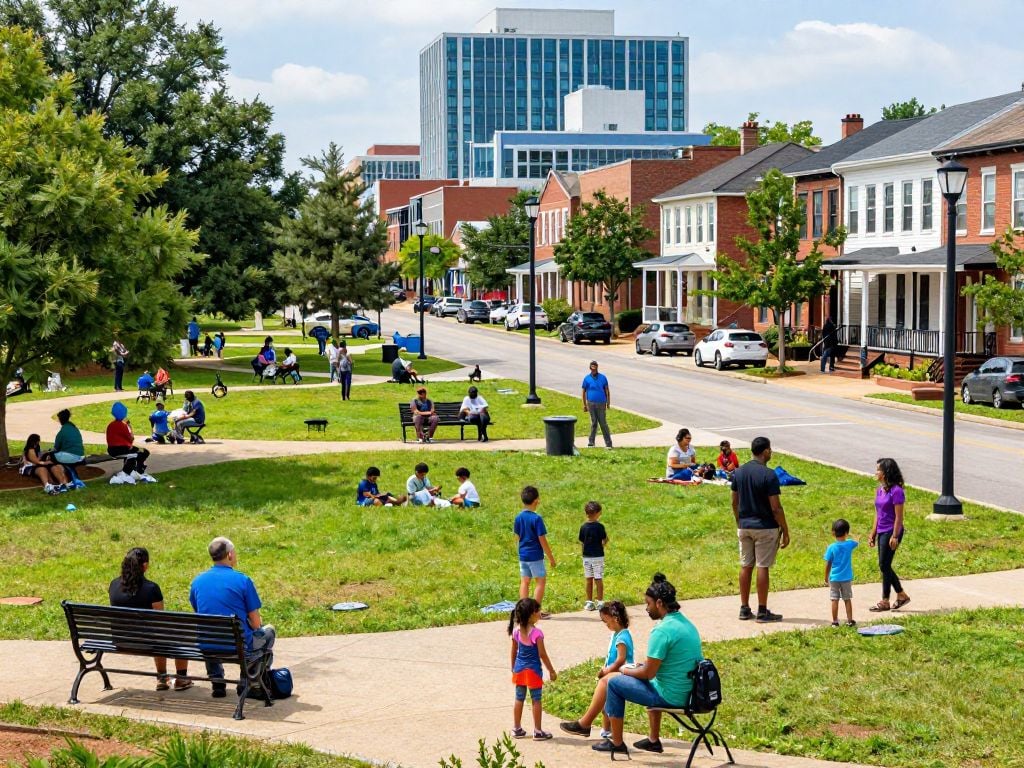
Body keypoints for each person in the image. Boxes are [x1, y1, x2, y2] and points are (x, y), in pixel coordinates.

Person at [561, 573, 703, 757]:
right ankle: (652, 740)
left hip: (671, 696)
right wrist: (637, 668)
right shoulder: (686, 624)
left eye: (648, 604)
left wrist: (624, 670)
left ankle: (616, 742)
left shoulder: (662, 631)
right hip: (688, 692)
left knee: (614, 683)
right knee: (619, 678)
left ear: (659, 603)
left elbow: (648, 674)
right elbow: (662, 665)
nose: (646, 608)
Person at [189, 537, 275, 699]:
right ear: (229, 555)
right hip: (238, 646)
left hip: (208, 645)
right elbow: (256, 624)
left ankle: (217, 683)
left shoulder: (197, 581)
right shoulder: (243, 580)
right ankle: (246, 681)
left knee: (211, 633)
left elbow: (199, 612)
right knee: (269, 632)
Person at [109, 547, 191, 690]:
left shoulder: (113, 585)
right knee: (179, 634)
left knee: (156, 635)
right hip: (147, 643)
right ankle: (180, 679)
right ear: (145, 565)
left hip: (121, 640)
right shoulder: (151, 588)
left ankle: (162, 678)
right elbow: (160, 621)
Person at [732, 436, 789, 623]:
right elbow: (776, 507)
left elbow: (734, 501)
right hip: (765, 527)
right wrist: (785, 529)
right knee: (762, 566)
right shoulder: (769, 475)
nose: (771, 452)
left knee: (746, 565)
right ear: (765, 451)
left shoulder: (739, 472)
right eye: (770, 449)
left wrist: (739, 521)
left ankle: (744, 608)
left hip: (744, 526)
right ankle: (762, 611)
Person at [558, 601, 633, 740]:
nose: (606, 625)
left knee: (608, 704)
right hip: (614, 672)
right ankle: (606, 730)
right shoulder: (617, 634)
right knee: (606, 705)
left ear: (616, 619)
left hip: (621, 673)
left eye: (606, 621)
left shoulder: (622, 637)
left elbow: (620, 660)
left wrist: (607, 671)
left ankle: (597, 728)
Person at [508, 597, 557, 741]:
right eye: (537, 610)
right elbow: (542, 654)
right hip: (533, 671)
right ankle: (538, 731)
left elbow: (513, 650)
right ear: (531, 615)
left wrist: (513, 667)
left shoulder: (516, 631)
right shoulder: (537, 633)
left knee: (519, 698)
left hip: (519, 669)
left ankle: (516, 728)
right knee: (536, 700)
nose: (540, 613)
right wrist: (551, 670)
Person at [868, 458, 910, 612]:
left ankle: (895, 596)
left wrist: (895, 536)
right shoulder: (880, 490)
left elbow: (899, 517)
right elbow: (877, 514)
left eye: (878, 469)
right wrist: (873, 533)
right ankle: (892, 598)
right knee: (884, 566)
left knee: (884, 565)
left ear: (886, 472)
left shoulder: (897, 491)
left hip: (891, 531)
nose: (876, 472)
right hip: (881, 531)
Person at [514, 485, 556, 611]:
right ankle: (535, 611)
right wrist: (551, 558)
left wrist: (520, 552)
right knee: (540, 581)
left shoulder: (518, 517)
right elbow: (542, 540)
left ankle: (523, 610)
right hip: (535, 556)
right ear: (536, 500)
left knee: (525, 581)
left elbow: (517, 537)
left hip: (523, 555)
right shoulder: (537, 519)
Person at [106, 402, 155, 485]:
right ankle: (135, 471)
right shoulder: (122, 425)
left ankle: (131, 470)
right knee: (142, 453)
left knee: (136, 452)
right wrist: (129, 426)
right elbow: (131, 439)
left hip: (111, 449)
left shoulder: (110, 425)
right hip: (121, 449)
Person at [824, 518, 858, 627]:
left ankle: (835, 621)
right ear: (846, 532)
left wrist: (826, 577)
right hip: (846, 578)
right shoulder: (849, 544)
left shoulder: (831, 547)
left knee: (834, 599)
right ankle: (850, 620)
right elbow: (856, 541)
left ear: (833, 533)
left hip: (834, 578)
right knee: (847, 599)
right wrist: (850, 535)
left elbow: (828, 564)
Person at [579, 501, 608, 611]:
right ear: (597, 513)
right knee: (598, 578)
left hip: (586, 557)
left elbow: (582, 542)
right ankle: (600, 602)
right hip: (598, 557)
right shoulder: (600, 527)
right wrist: (602, 546)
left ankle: (589, 602)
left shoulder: (583, 527)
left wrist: (583, 554)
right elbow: (605, 539)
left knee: (588, 579)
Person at [581, 360, 612, 448]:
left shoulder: (603, 378)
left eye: (595, 366)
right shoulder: (587, 379)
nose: (593, 368)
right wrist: (584, 404)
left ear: (597, 367)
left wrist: (608, 402)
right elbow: (583, 392)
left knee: (603, 423)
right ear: (590, 368)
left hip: (601, 403)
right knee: (593, 423)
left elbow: (607, 390)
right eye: (592, 367)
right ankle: (591, 442)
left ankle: (608, 443)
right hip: (591, 403)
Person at [52, 409, 86, 487]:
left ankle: (63, 477)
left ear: (60, 419)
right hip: (80, 455)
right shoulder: (74, 428)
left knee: (51, 456)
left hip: (71, 456)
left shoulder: (62, 431)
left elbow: (56, 448)